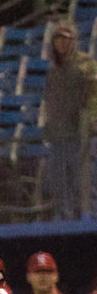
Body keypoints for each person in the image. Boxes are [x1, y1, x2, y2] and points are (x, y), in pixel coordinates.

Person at [43, 22, 97, 221]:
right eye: (58, 38)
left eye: (65, 38)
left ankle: (91, 221)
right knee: (60, 184)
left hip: (82, 134)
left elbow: (93, 97)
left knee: (86, 182)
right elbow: (50, 102)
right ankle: (63, 221)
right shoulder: (52, 71)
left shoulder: (85, 64)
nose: (61, 43)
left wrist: (90, 123)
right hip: (59, 135)